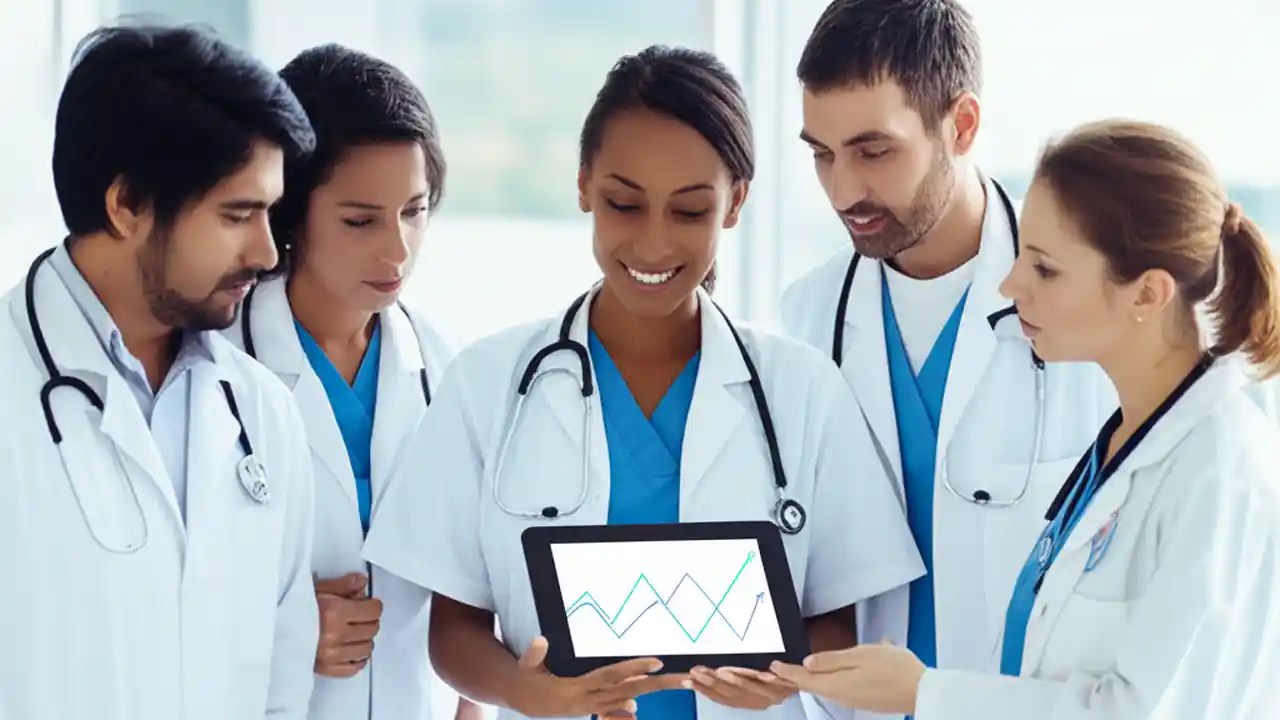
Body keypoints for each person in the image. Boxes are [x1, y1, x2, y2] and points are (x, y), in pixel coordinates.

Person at [361, 45, 923, 720]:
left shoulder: (803, 391)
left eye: (689, 212)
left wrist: (791, 673)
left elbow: (836, 612)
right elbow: (454, 627)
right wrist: (521, 689)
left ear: (735, 203)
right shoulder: (487, 385)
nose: (654, 244)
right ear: (583, 187)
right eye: (624, 204)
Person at [772, 118, 1280, 719]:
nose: (1010, 285)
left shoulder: (1219, 471)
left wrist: (925, 692)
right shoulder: (1128, 443)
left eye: (1044, 269)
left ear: (1147, 294)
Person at [780, 0, 1117, 689]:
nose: (843, 191)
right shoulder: (810, 315)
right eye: (821, 154)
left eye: (874, 151)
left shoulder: (1092, 313)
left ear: (961, 126)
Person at [0, 25, 320, 719]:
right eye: (238, 215)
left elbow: (282, 678)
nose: (268, 253)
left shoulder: (262, 411)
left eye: (270, 214)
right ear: (127, 206)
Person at [223, 44, 480, 720]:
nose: (398, 249)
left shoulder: (447, 366)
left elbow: (470, 578)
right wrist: (283, 629)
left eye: (415, 211)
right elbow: (151, 591)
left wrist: (471, 706)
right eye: (361, 221)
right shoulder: (217, 367)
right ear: (289, 212)